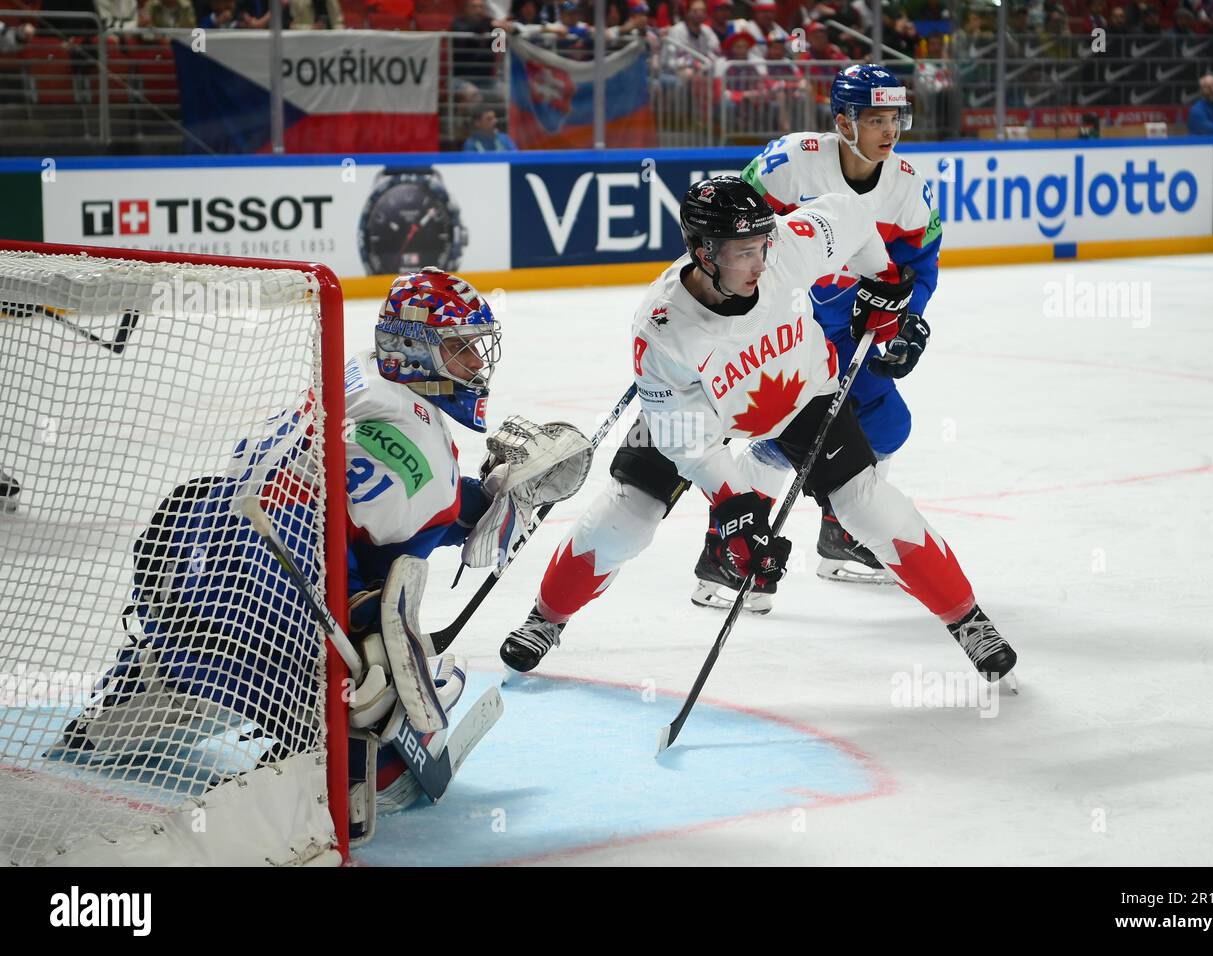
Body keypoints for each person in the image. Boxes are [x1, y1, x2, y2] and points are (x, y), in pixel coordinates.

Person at [54, 270, 593, 826]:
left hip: (185, 577)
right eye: (461, 350)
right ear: (418, 349)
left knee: (260, 551)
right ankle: (346, 766)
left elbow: (356, 484)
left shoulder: (359, 368)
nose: (477, 366)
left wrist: (475, 498)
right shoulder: (429, 457)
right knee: (384, 650)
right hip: (269, 621)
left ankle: (143, 690)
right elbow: (402, 557)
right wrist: (497, 511)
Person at [499, 175, 1017, 686]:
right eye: (744, 252)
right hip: (700, 414)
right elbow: (689, 443)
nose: (761, 262)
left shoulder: (788, 247)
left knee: (866, 504)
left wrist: (883, 284)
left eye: (762, 245)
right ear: (703, 252)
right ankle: (547, 617)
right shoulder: (661, 329)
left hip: (800, 394)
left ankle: (967, 619)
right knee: (627, 516)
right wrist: (734, 509)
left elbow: (854, 219)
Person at [690, 63, 942, 611]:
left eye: (895, 118)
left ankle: (839, 534)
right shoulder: (790, 162)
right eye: (875, 119)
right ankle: (725, 553)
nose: (889, 132)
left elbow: (918, 261)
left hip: (850, 324)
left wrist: (906, 318)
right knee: (788, 431)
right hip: (783, 325)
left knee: (884, 423)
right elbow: (729, 229)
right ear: (842, 121)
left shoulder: (905, 185)